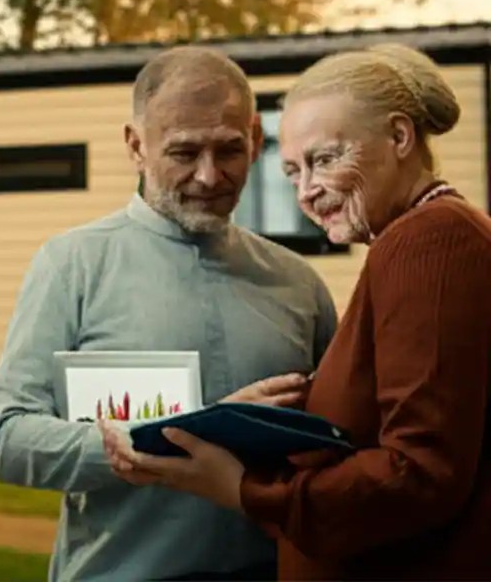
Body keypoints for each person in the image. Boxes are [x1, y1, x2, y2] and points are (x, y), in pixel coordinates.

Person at [100, 43, 491, 579]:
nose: (307, 190)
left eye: (326, 159)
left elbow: (418, 472)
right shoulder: (426, 238)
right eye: (290, 172)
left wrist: (243, 490)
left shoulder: (428, 240)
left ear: (400, 137)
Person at [0, 45, 339, 581]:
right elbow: (10, 442)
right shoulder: (72, 265)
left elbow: (340, 437)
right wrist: (191, 432)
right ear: (135, 146)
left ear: (256, 139)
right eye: (183, 152)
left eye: (229, 150)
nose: (209, 175)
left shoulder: (299, 283)